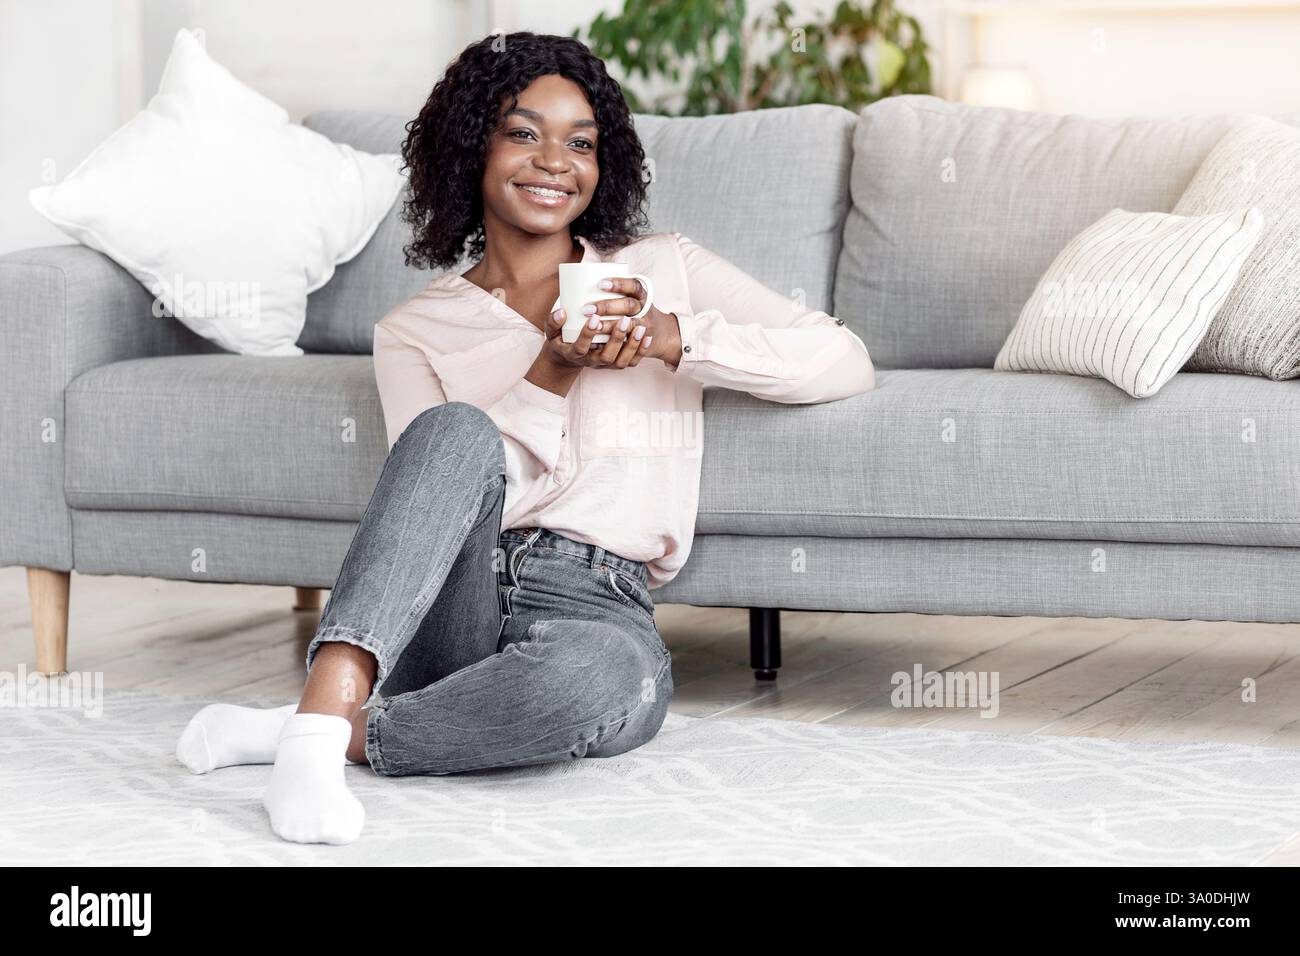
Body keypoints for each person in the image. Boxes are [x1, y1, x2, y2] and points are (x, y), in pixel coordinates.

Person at [175, 31, 876, 845]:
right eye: (524, 132)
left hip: (598, 600)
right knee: (454, 431)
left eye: (581, 142)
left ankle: (316, 733)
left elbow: (842, 358)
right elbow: (438, 497)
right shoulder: (413, 330)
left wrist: (671, 337)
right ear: (472, 145)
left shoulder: (660, 268)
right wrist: (550, 370)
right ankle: (326, 714)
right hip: (453, 605)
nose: (555, 161)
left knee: (609, 683)